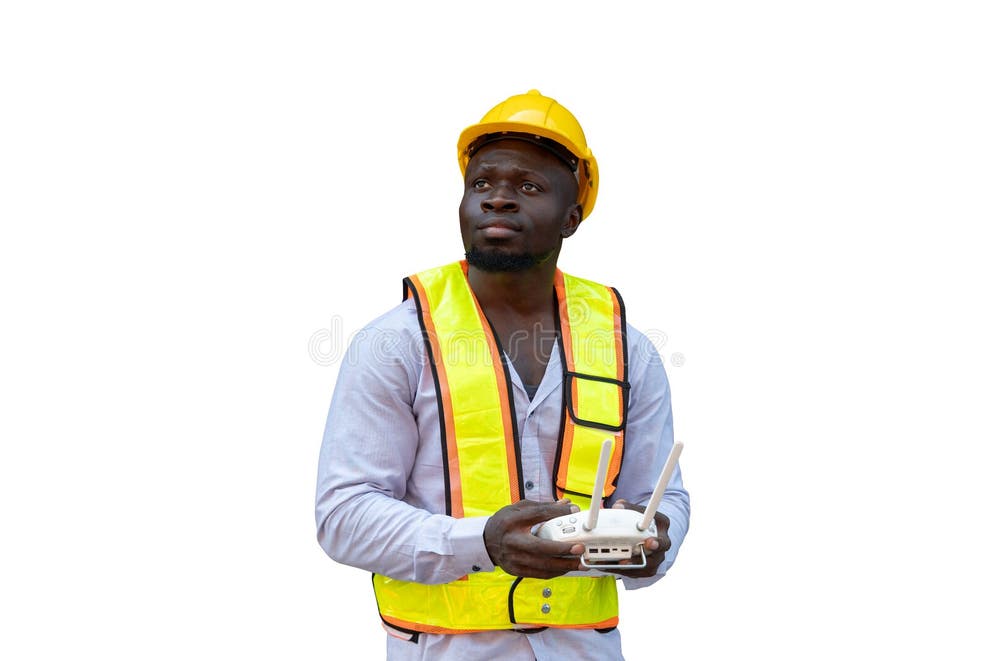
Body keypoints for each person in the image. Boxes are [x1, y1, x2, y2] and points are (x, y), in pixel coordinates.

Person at [315, 89, 690, 660]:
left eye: (529, 187)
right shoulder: (392, 343)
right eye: (481, 185)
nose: (498, 200)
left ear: (572, 217)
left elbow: (661, 498)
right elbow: (343, 516)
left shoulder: (627, 349)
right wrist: (481, 543)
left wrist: (657, 538)